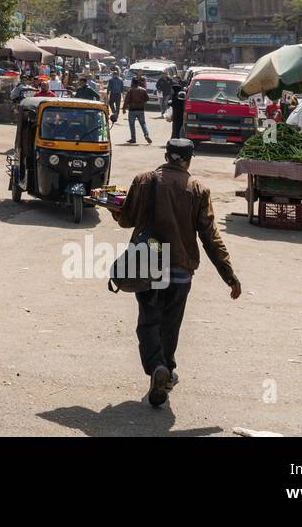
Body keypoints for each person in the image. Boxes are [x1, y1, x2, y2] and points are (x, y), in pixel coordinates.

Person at [111, 138, 240, 407]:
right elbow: (210, 236)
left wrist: (115, 209)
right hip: (181, 271)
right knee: (171, 324)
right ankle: (167, 372)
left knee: (148, 322)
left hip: (147, 267)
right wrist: (229, 275)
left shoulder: (144, 180)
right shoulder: (198, 189)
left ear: (167, 155)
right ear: (189, 160)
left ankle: (157, 367)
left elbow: (127, 220)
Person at [125, 77, 152, 145]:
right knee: (143, 124)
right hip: (140, 109)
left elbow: (127, 100)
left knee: (132, 125)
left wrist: (124, 108)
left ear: (133, 83)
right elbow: (147, 98)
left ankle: (133, 139)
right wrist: (142, 102)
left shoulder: (130, 90)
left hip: (132, 110)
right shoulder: (143, 90)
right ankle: (146, 135)